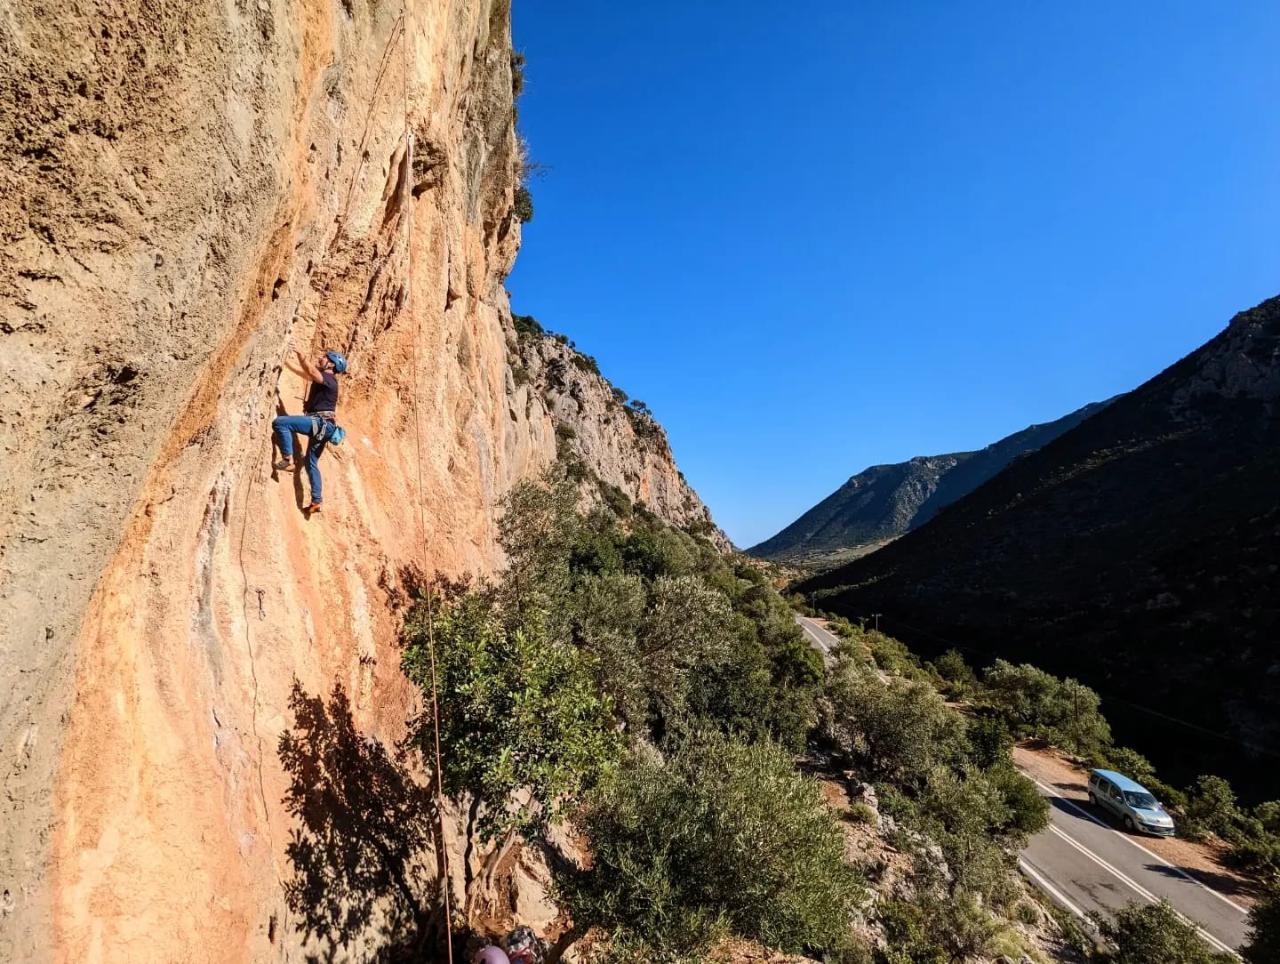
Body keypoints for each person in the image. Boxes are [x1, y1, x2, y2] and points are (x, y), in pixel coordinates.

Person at [273, 348, 347, 513]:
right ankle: (316, 500)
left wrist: (302, 357)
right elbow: (303, 373)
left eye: (324, 358)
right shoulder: (324, 380)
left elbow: (311, 371)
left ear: (331, 364)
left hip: (320, 423)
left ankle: (287, 459)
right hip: (324, 427)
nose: (321, 359)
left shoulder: (330, 380)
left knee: (281, 423)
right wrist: (284, 361)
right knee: (310, 462)